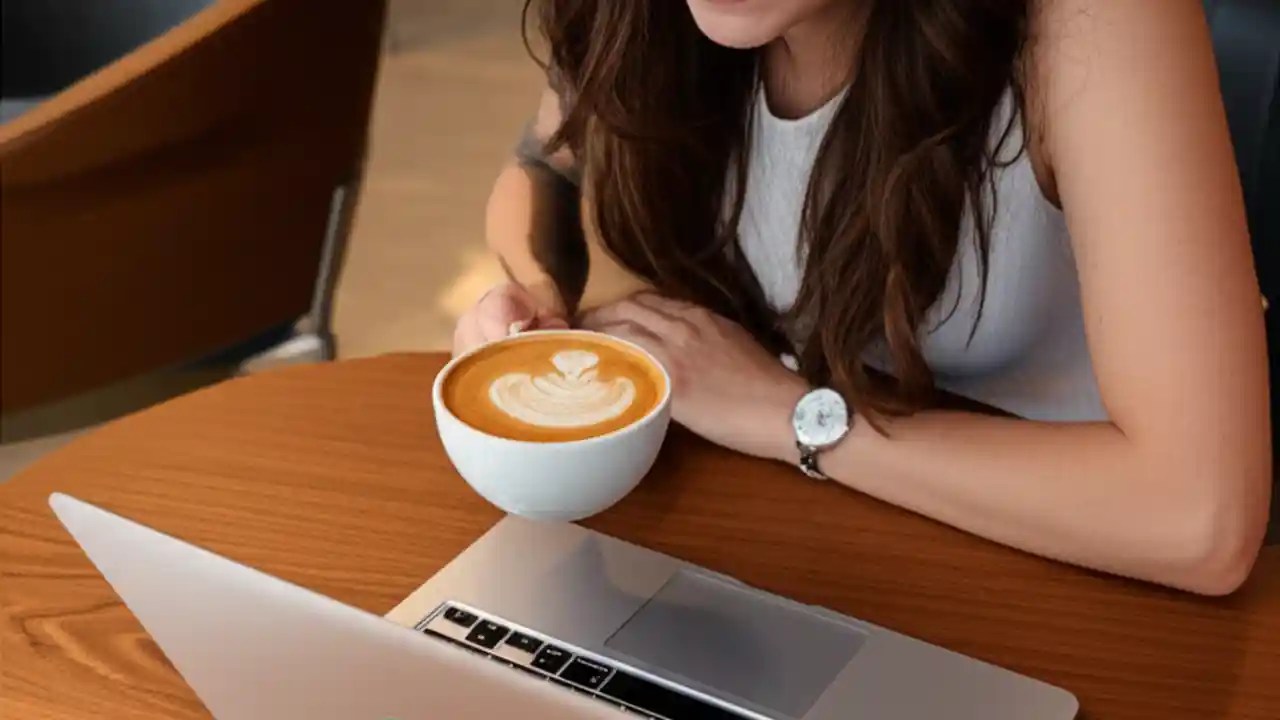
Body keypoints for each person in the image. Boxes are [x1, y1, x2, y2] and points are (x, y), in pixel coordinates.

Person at [453, 0, 1271, 595]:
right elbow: (542, 169)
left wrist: (794, 417)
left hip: (1087, 575)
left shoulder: (1090, 25)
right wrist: (534, 293)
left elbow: (1199, 519)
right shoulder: (653, 19)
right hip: (841, 547)